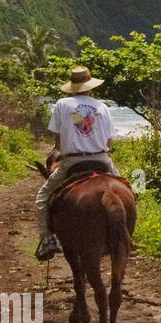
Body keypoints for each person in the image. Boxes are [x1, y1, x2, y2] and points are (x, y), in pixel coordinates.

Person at [34, 66, 119, 260]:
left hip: (71, 161)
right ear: (90, 86)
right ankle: (125, 235)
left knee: (42, 197)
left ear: (72, 86)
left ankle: (47, 240)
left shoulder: (62, 104)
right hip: (101, 159)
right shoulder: (103, 107)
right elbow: (109, 143)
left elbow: (58, 142)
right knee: (129, 191)